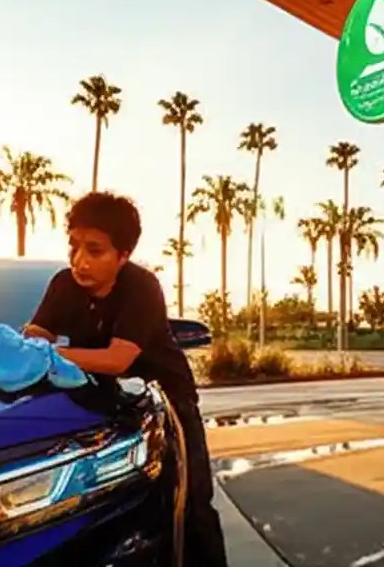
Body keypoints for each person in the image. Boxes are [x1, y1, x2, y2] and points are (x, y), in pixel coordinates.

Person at [23, 191, 228, 567]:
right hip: (98, 404)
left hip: (168, 400)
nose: (79, 261)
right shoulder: (62, 284)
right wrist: (19, 347)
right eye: (74, 246)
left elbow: (118, 360)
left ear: (123, 256)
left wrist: (45, 355)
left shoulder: (142, 287)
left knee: (192, 503)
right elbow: (36, 334)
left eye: (94, 250)